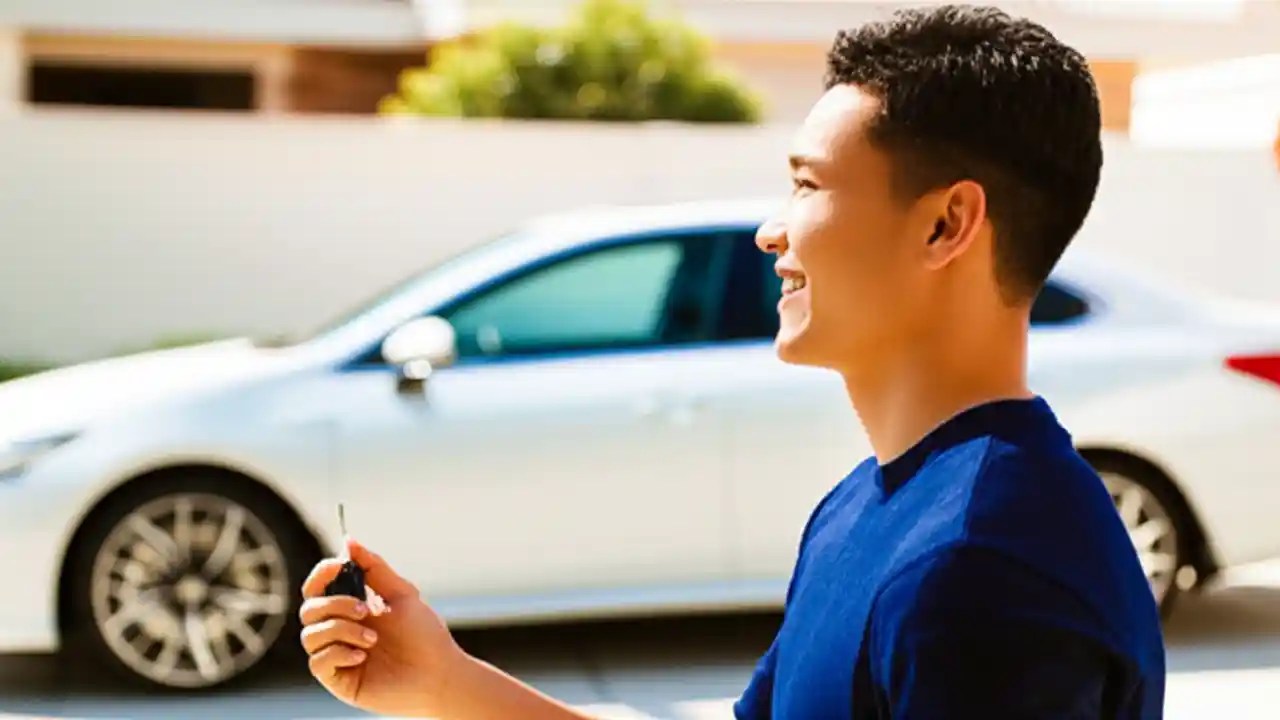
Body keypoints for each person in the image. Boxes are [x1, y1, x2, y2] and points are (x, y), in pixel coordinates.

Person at [298, 4, 1166, 718]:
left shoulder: (982, 569)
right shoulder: (871, 506)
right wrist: (442, 685)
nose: (771, 232)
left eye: (808, 185)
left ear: (946, 225)